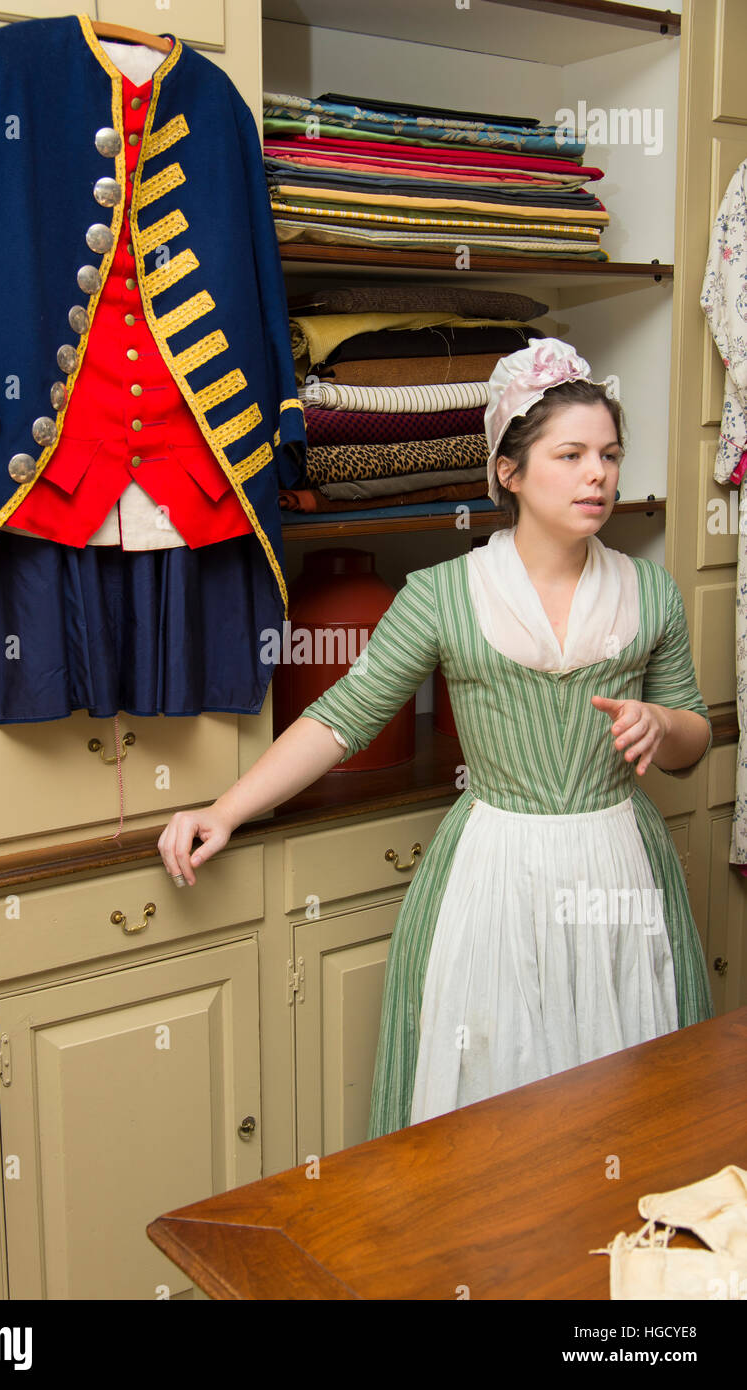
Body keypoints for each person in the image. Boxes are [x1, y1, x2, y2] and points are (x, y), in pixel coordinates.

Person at [157, 337, 715, 1141]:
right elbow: (341, 717)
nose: (598, 474)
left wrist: (662, 726)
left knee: (625, 1110)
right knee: (496, 1107)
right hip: (494, 878)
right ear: (509, 472)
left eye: (610, 454)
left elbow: (693, 739)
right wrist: (228, 809)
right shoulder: (445, 594)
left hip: (620, 870)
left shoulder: (649, 589)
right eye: (571, 454)